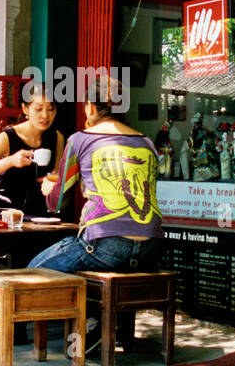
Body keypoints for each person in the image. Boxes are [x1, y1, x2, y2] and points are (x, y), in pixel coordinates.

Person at [29, 75, 163, 273]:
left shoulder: (80, 139)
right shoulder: (147, 143)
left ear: (90, 107)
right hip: (152, 246)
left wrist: (49, 189)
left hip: (105, 245)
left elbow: (56, 202)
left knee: (31, 272)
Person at [0, 86, 64, 220]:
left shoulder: (57, 137)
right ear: (25, 109)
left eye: (50, 109)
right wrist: (10, 160)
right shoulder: (8, 136)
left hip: (39, 214)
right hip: (4, 211)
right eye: (38, 109)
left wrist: (52, 182)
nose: (45, 115)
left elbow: (57, 175)